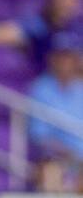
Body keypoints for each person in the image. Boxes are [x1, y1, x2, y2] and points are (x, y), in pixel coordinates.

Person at [27, 30, 83, 159]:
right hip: (59, 159)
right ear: (52, 59)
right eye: (61, 57)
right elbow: (39, 135)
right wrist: (68, 155)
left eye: (69, 57)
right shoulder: (40, 89)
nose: (65, 63)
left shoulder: (80, 88)